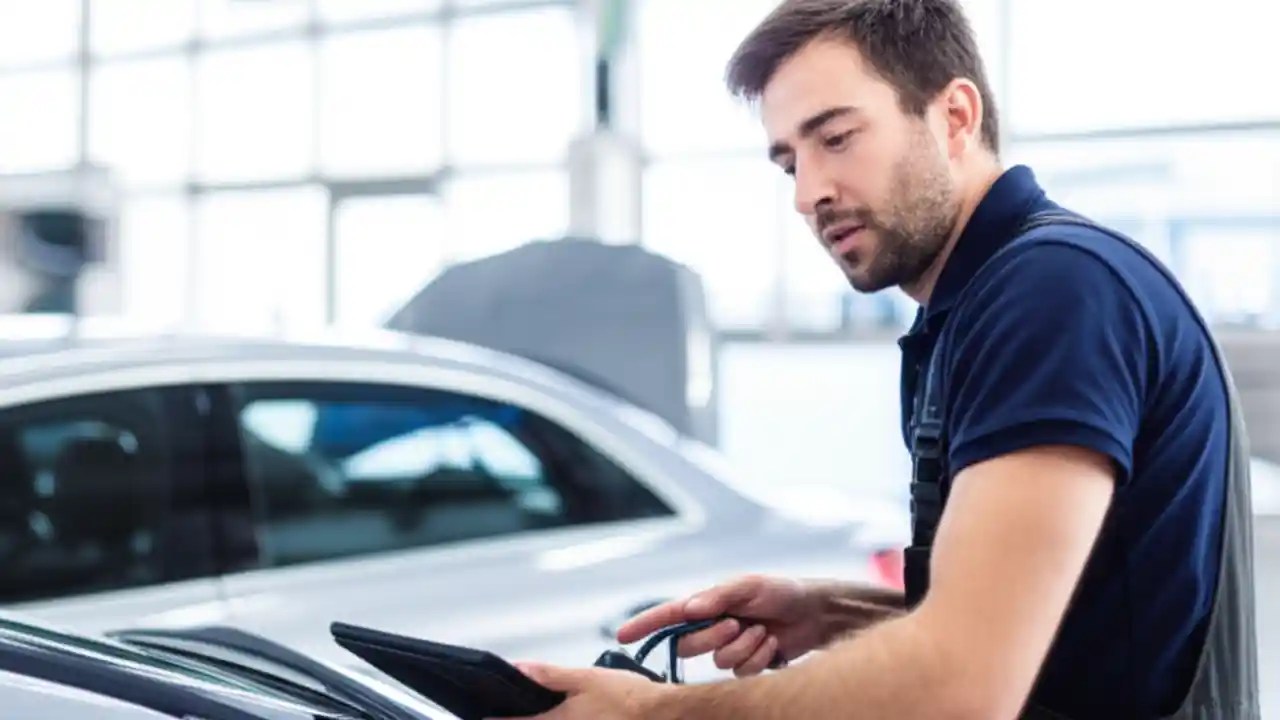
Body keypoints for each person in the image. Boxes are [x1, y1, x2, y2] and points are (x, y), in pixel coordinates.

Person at [504, 1, 1259, 718]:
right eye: (787, 162)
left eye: (835, 138)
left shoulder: (1054, 290)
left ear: (954, 116)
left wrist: (652, 714)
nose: (807, 194)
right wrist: (830, 611)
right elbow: (1053, 617)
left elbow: (961, 686)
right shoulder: (972, 308)